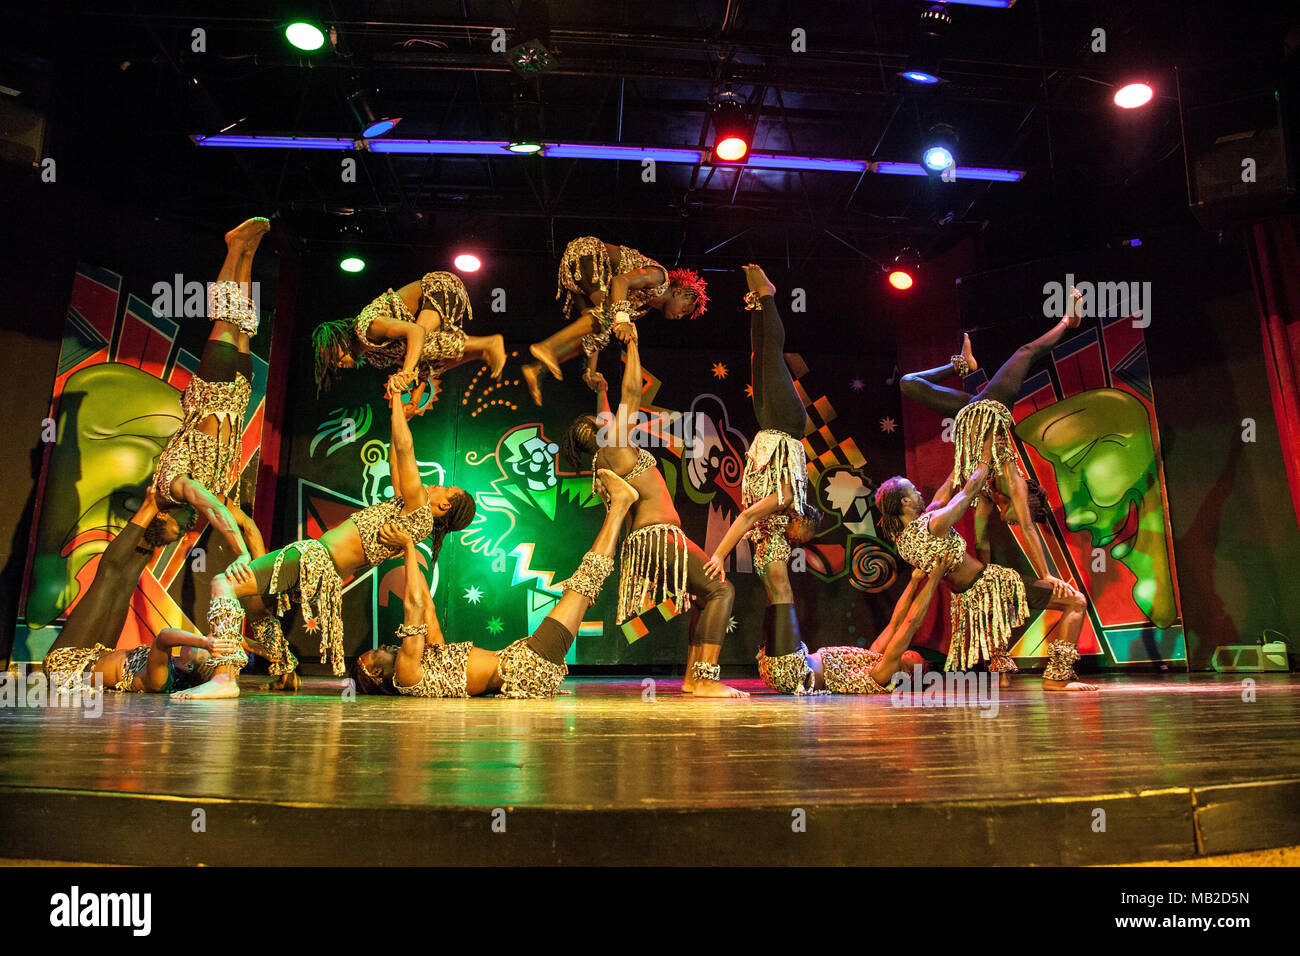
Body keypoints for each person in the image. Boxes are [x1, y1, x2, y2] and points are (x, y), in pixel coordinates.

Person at [169, 390, 477, 699]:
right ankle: (285, 671)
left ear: (444, 508)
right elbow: (398, 462)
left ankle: (224, 678)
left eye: (443, 489)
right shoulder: (415, 516)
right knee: (255, 604)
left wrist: (397, 397)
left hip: (315, 558)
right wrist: (403, 416)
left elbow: (405, 446)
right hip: (324, 574)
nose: (435, 486)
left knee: (224, 584)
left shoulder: (420, 506)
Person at [559, 324, 745, 697]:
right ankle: (705, 679)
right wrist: (633, 344)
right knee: (722, 590)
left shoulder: (605, 460)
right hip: (659, 537)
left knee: (706, 595)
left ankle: (695, 679)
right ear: (601, 432)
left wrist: (600, 392)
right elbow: (633, 392)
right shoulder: (616, 446)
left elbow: (611, 411)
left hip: (652, 541)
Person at [352, 468, 637, 698]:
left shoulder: (427, 660)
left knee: (583, 587)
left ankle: (620, 507)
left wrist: (408, 542)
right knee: (584, 582)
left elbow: (425, 606)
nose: (383, 647)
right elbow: (413, 605)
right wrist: (408, 548)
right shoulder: (407, 674)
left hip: (523, 663)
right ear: (374, 674)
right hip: (527, 667)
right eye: (375, 653)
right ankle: (620, 505)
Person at [896, 289, 1084, 592]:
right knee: (1024, 352)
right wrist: (1046, 575)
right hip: (991, 406)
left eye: (1007, 522)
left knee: (908, 383)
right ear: (1022, 504)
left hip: (967, 412)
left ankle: (961, 365)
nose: (1008, 522)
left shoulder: (985, 495)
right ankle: (1067, 322)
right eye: (1011, 519)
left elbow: (980, 539)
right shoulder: (1013, 481)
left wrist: (981, 577)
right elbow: (1027, 527)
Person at [874, 440, 1097, 692]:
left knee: (1014, 614)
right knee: (1076, 601)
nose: (919, 493)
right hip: (990, 585)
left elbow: (946, 490)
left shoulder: (905, 541)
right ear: (905, 502)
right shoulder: (932, 524)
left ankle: (1006, 674)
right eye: (913, 491)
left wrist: (962, 458)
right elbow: (968, 491)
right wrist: (986, 448)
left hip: (969, 601)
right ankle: (1057, 678)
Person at [701, 265, 823, 683]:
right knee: (770, 359)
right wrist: (719, 553)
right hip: (786, 424)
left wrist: (724, 553)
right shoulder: (789, 498)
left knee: (758, 358)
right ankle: (768, 296)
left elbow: (775, 579)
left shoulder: (772, 534)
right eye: (805, 536)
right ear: (803, 519)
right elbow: (748, 516)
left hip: (768, 427)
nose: (800, 543)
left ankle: (756, 304)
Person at [143, 216, 274, 568]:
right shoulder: (207, 495)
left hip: (212, 394)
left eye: (177, 530)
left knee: (226, 323)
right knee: (245, 326)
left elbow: (210, 505)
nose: (187, 529)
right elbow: (245, 524)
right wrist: (262, 577)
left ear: (162, 518)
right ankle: (248, 254)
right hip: (237, 398)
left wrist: (240, 555)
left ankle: (233, 246)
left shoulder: (172, 487)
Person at [42, 490, 213, 693]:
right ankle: (151, 513)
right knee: (125, 586)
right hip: (94, 657)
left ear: (189, 666)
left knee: (109, 577)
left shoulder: (161, 678)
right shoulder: (173, 666)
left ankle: (149, 506)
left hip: (67, 668)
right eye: (182, 526)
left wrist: (204, 641)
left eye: (202, 652)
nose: (204, 647)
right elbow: (215, 637)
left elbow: (165, 637)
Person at [522, 236, 708, 405]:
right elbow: (620, 281)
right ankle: (546, 347)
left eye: (683, 316)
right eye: (684, 309)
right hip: (587, 255)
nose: (679, 316)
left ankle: (537, 368)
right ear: (678, 292)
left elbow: (597, 328)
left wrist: (591, 372)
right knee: (605, 318)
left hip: (588, 271)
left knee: (598, 327)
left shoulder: (642, 307)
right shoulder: (660, 277)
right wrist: (622, 320)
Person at [311, 271, 506, 416]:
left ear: (339, 341)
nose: (337, 364)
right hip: (429, 314)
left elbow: (416, 331)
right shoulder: (374, 355)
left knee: (421, 345)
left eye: (333, 357)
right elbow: (422, 367)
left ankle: (489, 343)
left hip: (441, 288)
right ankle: (481, 352)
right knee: (428, 359)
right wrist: (414, 401)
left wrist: (406, 372)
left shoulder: (368, 326)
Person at [760, 564, 947, 695]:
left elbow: (911, 624)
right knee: (773, 590)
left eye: (922, 664)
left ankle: (768, 529)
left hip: (793, 671)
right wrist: (914, 582)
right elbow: (896, 623)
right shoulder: (872, 659)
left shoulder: (884, 674)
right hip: (786, 666)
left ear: (911, 676)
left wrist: (935, 579)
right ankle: (764, 533)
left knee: (781, 591)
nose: (917, 654)